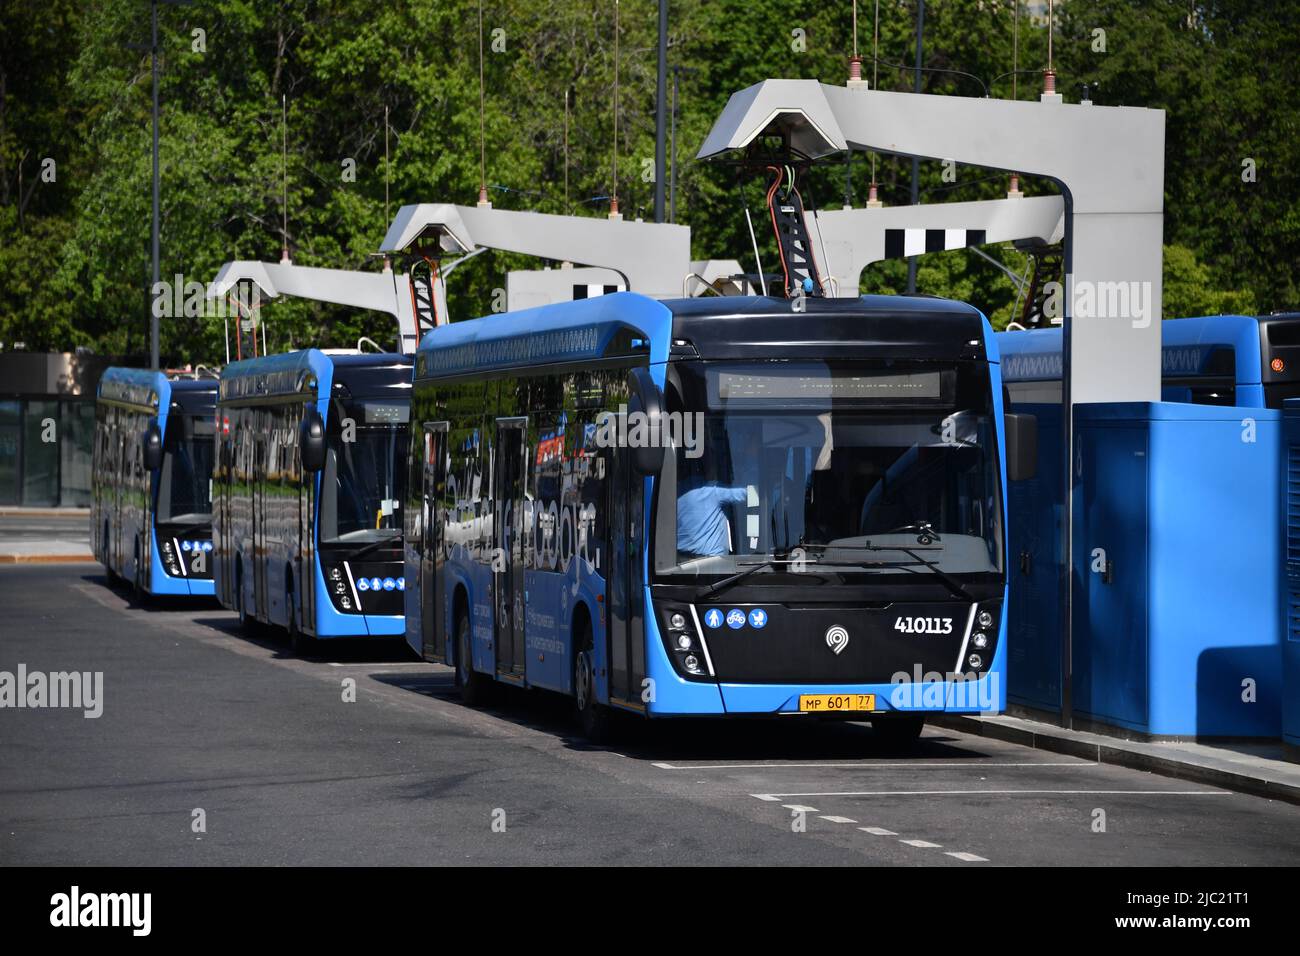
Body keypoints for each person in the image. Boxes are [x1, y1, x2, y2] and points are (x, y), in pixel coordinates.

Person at [675, 423, 761, 558]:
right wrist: (750, 455)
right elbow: (753, 492)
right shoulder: (713, 491)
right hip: (711, 565)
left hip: (681, 561)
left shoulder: (676, 490)